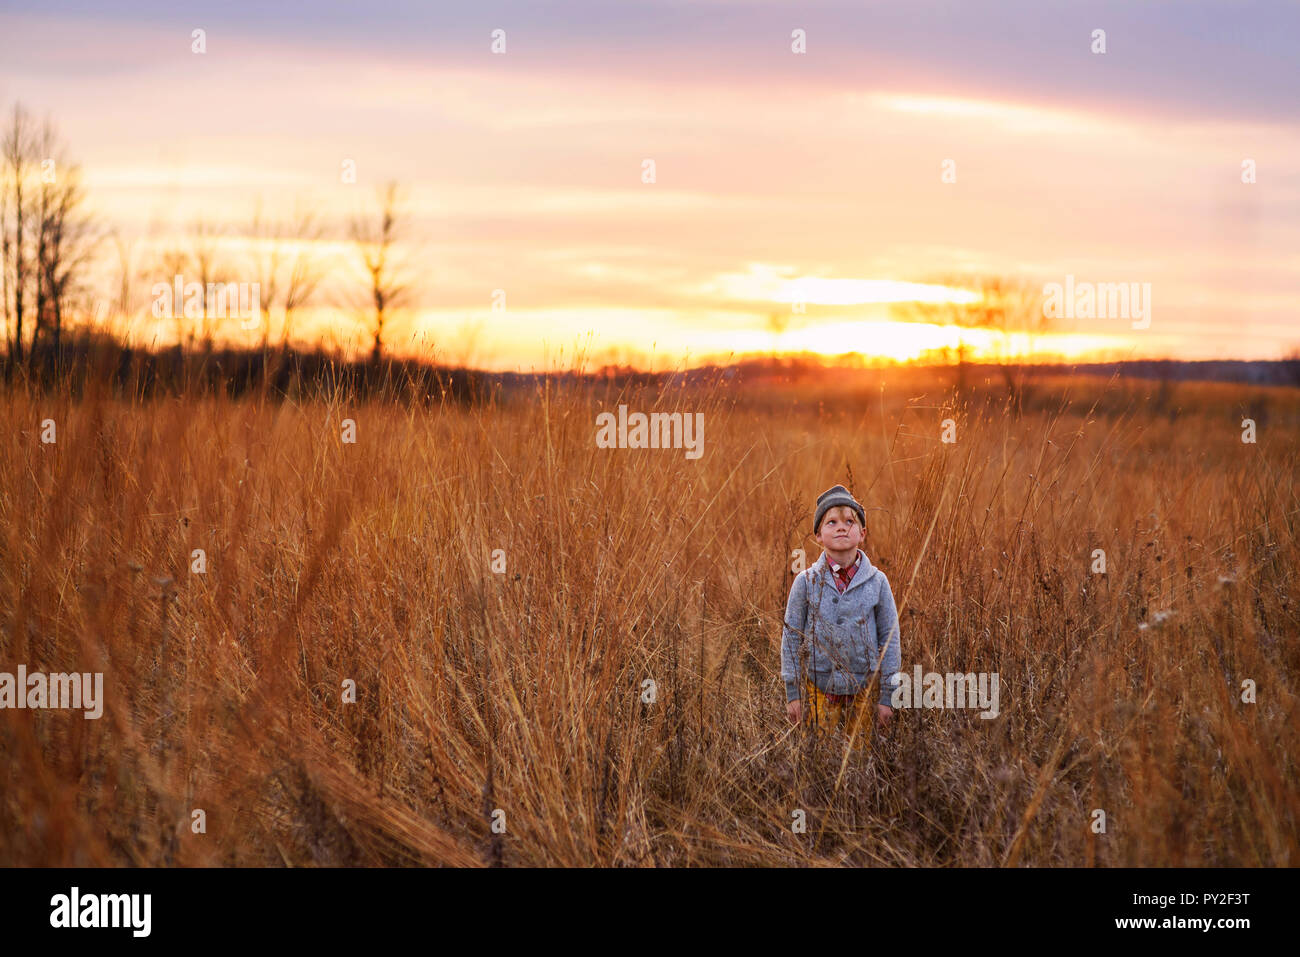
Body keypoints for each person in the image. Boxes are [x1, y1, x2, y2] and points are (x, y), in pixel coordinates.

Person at [781, 485, 900, 747]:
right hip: (819, 690)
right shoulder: (806, 582)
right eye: (831, 522)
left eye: (850, 521)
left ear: (863, 533)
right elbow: (790, 638)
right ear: (818, 536)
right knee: (821, 757)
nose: (841, 527)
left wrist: (887, 697)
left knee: (858, 760)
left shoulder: (877, 583)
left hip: (863, 691)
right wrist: (793, 693)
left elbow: (890, 640)